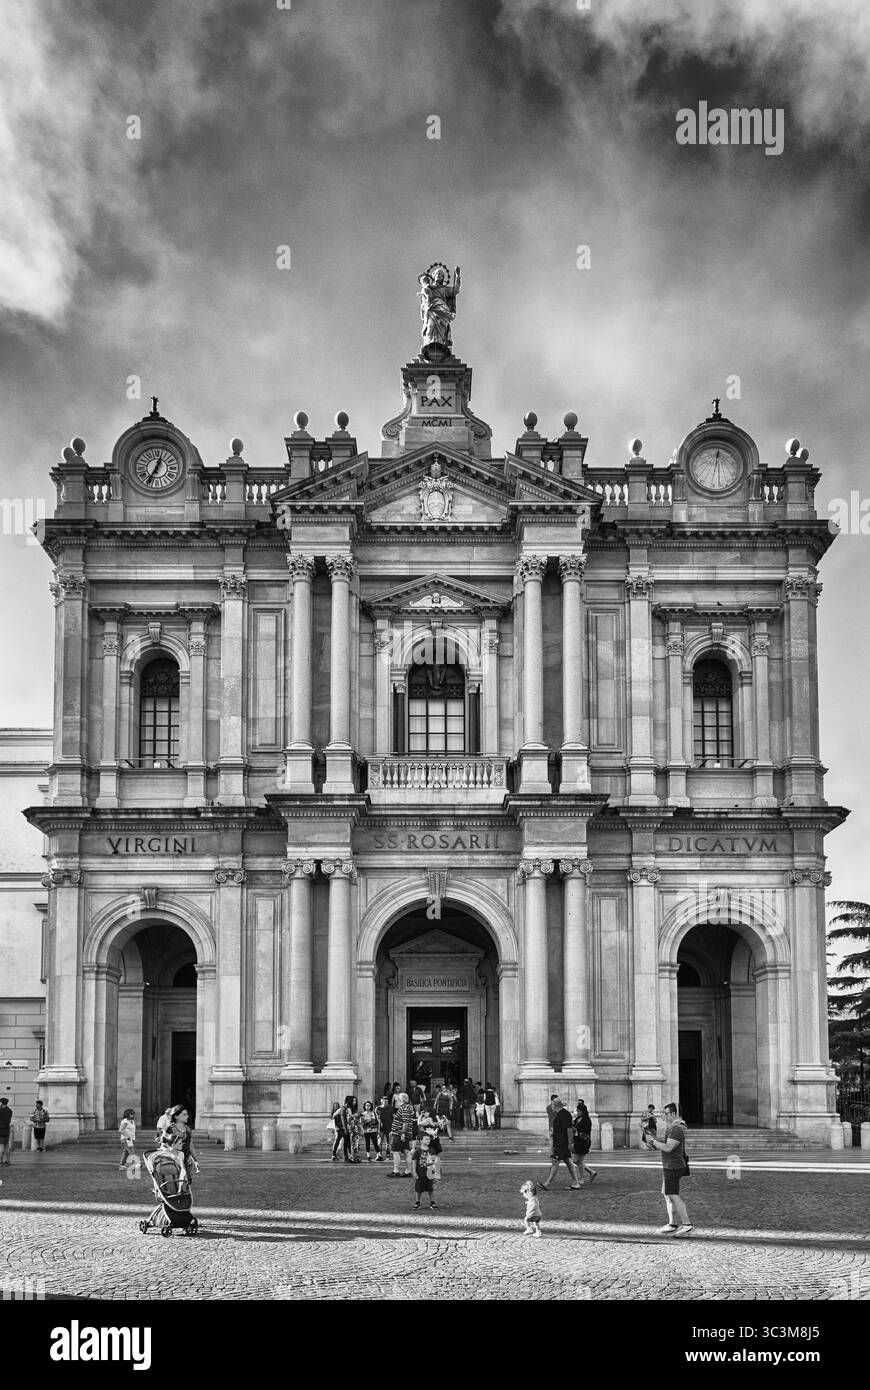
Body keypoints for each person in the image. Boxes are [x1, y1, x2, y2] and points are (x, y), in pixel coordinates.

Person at [647, 1102, 692, 1236]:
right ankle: (672, 1224)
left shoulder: (676, 1129)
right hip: (669, 1165)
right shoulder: (672, 1128)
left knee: (673, 1195)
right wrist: (653, 1140)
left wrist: (654, 1142)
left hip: (674, 1166)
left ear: (673, 1113)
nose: (663, 1116)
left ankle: (687, 1224)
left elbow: (668, 1148)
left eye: (665, 1113)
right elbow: (666, 1144)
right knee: (668, 1195)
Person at [539, 1098, 581, 1190]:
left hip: (561, 1143)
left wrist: (570, 1143)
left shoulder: (564, 1114)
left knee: (555, 1162)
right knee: (569, 1162)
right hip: (560, 1142)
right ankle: (576, 1182)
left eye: (552, 1105)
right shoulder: (560, 1114)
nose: (551, 1106)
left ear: (555, 1105)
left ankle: (547, 1183)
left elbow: (569, 1129)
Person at [160, 1104, 199, 1185]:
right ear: (176, 1116)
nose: (187, 1116)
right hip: (174, 1161)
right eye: (184, 1114)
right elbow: (163, 1143)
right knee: (176, 1182)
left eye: (187, 1114)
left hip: (186, 1160)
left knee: (186, 1183)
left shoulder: (188, 1129)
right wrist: (171, 1150)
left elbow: (190, 1144)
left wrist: (195, 1159)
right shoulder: (169, 1128)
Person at [387, 1092, 416, 1177]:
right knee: (406, 1151)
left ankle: (396, 1171)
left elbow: (405, 1121)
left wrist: (402, 1132)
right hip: (402, 1132)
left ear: (401, 1100)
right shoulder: (407, 1107)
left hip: (400, 1133)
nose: (397, 1101)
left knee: (395, 1151)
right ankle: (408, 1171)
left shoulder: (405, 1108)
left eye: (398, 1099)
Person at [571, 1100, 597, 1184]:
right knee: (576, 1160)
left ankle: (581, 1178)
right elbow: (573, 1125)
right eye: (577, 1111)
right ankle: (591, 1172)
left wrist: (576, 1131)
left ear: (583, 1111)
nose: (578, 1112)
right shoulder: (578, 1119)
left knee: (579, 1160)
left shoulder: (587, 1120)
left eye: (579, 1111)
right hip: (578, 1141)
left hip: (583, 1142)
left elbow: (585, 1132)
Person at [118, 1108, 137, 1173]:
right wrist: (127, 1136)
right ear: (127, 1114)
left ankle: (122, 1166)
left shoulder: (132, 1121)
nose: (133, 1115)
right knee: (132, 1152)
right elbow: (121, 1130)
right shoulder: (125, 1121)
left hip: (130, 1139)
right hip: (126, 1139)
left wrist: (133, 1138)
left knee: (126, 1152)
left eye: (133, 1114)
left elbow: (132, 1131)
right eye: (131, 1114)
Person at [376, 1092, 393, 1160]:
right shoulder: (378, 1108)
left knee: (388, 1143)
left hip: (389, 1127)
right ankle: (379, 1155)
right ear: (381, 1101)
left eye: (387, 1101)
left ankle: (388, 1155)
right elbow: (376, 1118)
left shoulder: (391, 1108)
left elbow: (393, 1118)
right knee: (380, 1142)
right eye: (384, 1101)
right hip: (381, 1128)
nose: (386, 1102)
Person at [0, 1098, 12, 1165]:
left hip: (1, 1129)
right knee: (6, 1145)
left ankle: (0, 1161)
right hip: (7, 1129)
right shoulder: (10, 1110)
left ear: (1, 1103)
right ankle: (8, 1161)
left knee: (1, 1146)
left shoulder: (0, 1110)